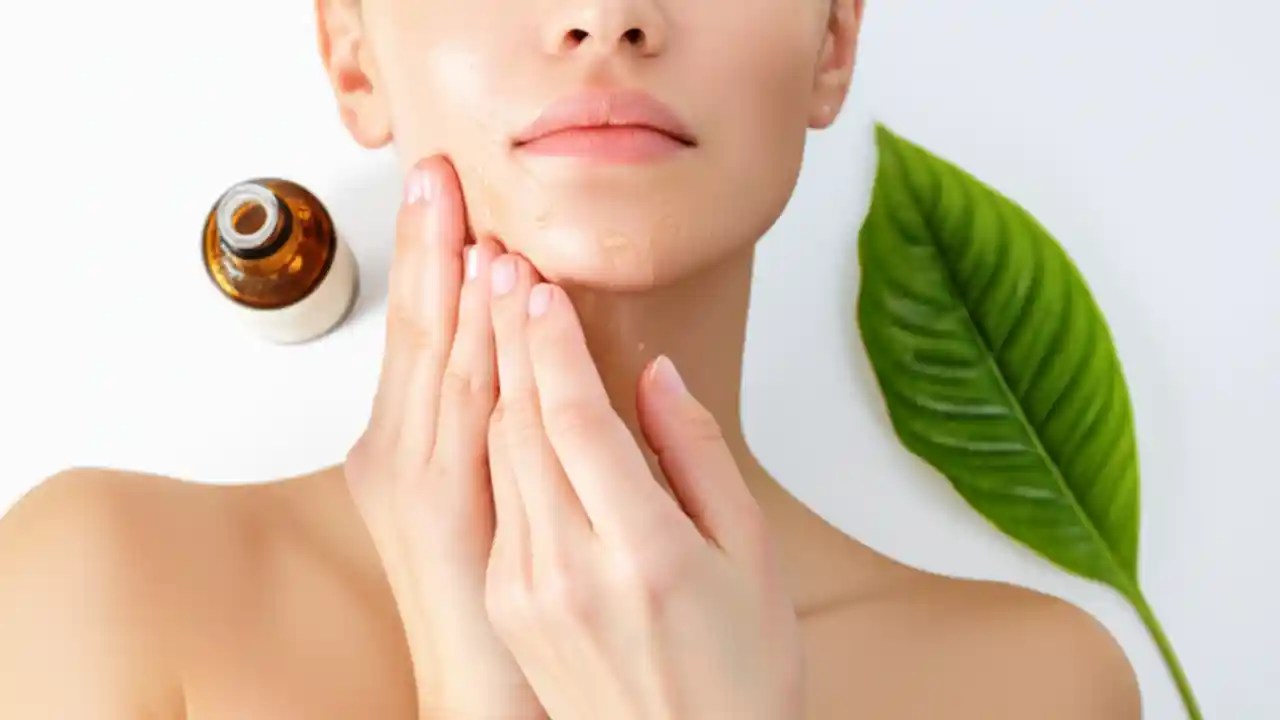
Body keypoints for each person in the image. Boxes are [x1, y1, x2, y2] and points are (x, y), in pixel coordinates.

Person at [0, 0, 1142, 717]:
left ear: (830, 40)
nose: (606, 16)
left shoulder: (1029, 687)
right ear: (352, 53)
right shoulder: (97, 582)